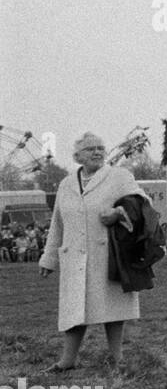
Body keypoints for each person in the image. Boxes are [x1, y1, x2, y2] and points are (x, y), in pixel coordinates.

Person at [38, 132, 147, 371]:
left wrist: (118, 213)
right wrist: (49, 258)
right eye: (90, 149)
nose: (97, 152)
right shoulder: (66, 184)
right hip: (74, 256)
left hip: (108, 255)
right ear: (78, 156)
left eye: (100, 147)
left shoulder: (119, 177)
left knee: (113, 307)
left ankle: (118, 359)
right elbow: (57, 223)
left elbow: (142, 202)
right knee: (74, 309)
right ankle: (67, 361)